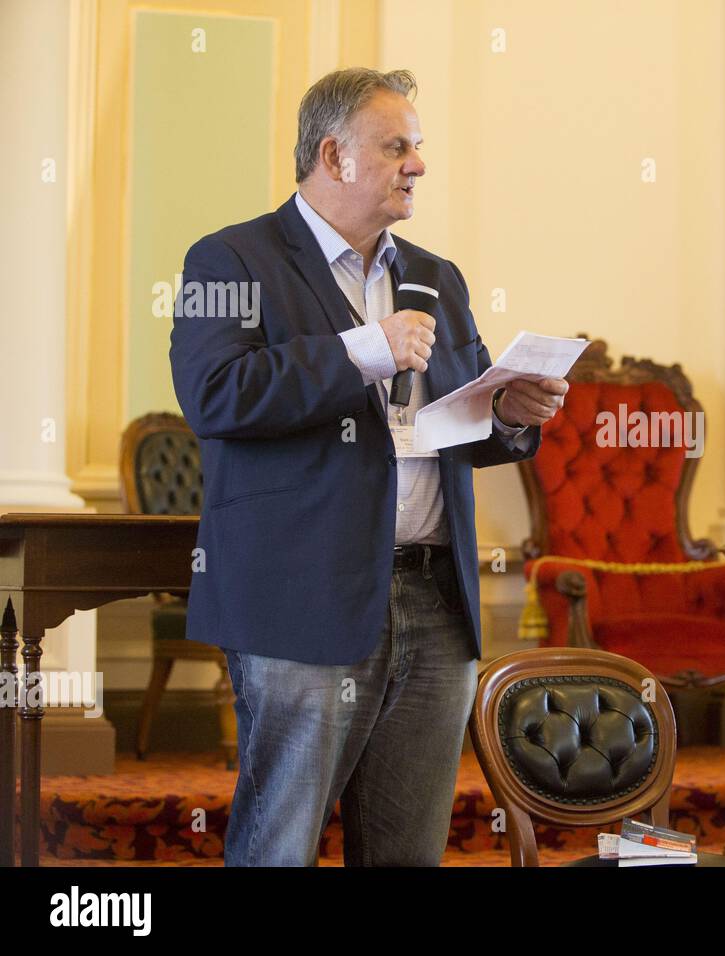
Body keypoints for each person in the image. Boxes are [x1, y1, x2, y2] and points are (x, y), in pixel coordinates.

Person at [169, 68, 568, 866]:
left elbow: (454, 419)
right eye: (397, 147)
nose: (417, 164)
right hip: (301, 596)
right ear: (333, 155)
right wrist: (363, 351)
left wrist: (511, 417)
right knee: (281, 841)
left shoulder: (436, 276)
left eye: (418, 147)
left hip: (435, 600)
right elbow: (215, 395)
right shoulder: (229, 259)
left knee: (408, 851)